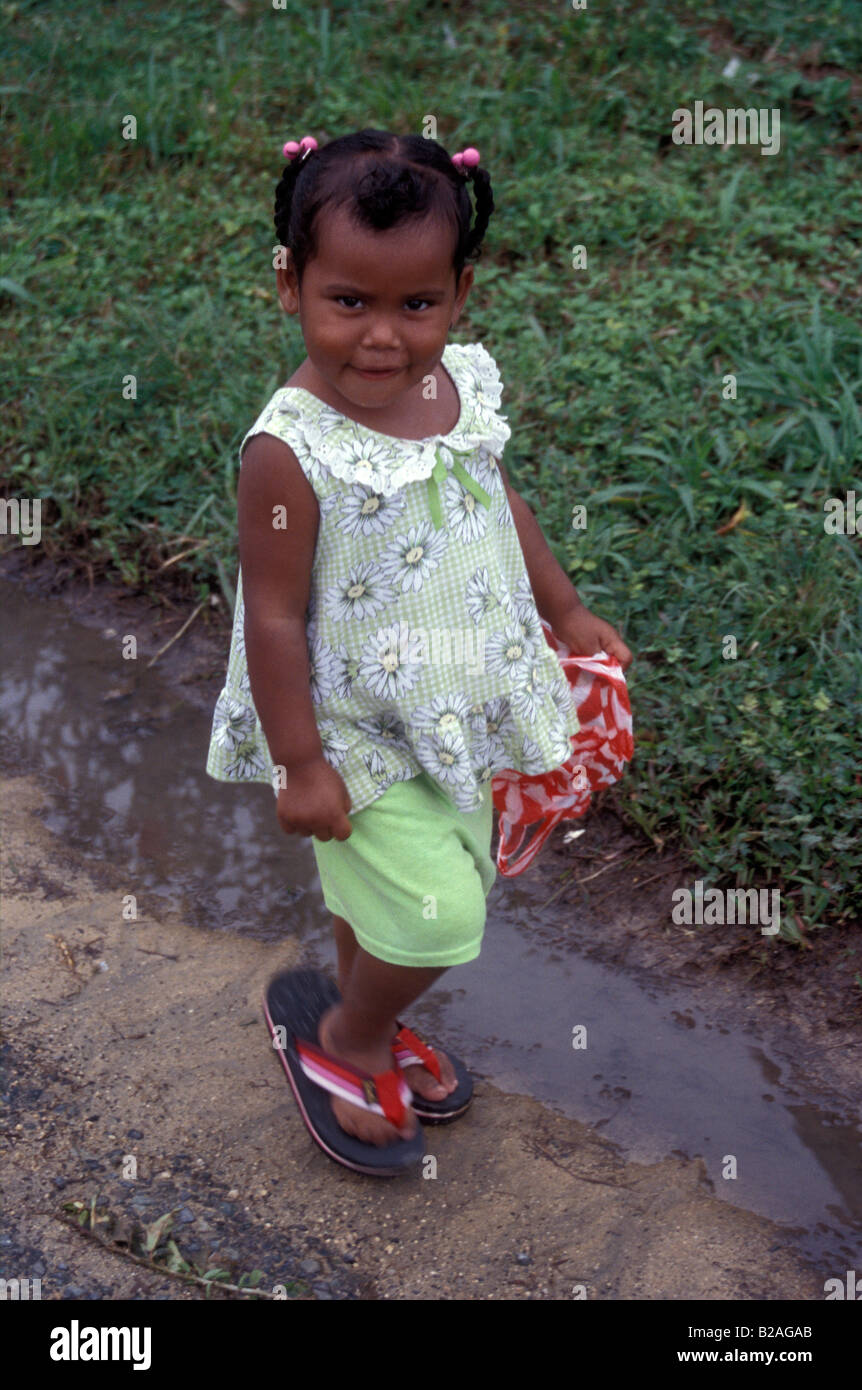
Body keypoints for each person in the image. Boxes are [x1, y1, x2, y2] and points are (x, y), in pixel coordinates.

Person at [206, 129, 633, 1175]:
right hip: (355, 729)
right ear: (289, 285)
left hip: (459, 699)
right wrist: (302, 760)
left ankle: (366, 1008)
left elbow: (495, 501)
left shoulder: (460, 392)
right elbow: (269, 615)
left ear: (461, 292)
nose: (385, 338)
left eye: (417, 305)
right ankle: (349, 1036)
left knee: (407, 891)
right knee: (439, 918)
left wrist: (564, 610)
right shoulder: (288, 451)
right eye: (348, 301)